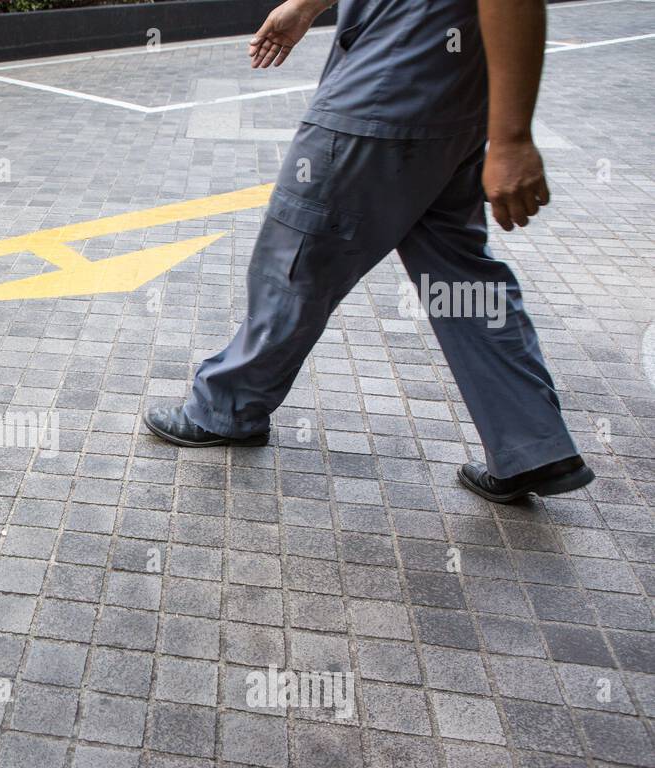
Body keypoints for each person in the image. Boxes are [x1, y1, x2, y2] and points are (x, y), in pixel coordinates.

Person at [143, 0, 593, 504]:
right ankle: (531, 444)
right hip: (449, 102)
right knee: (458, 276)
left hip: (384, 97)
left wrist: (512, 139)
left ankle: (228, 407)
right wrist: (307, 6)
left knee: (296, 255)